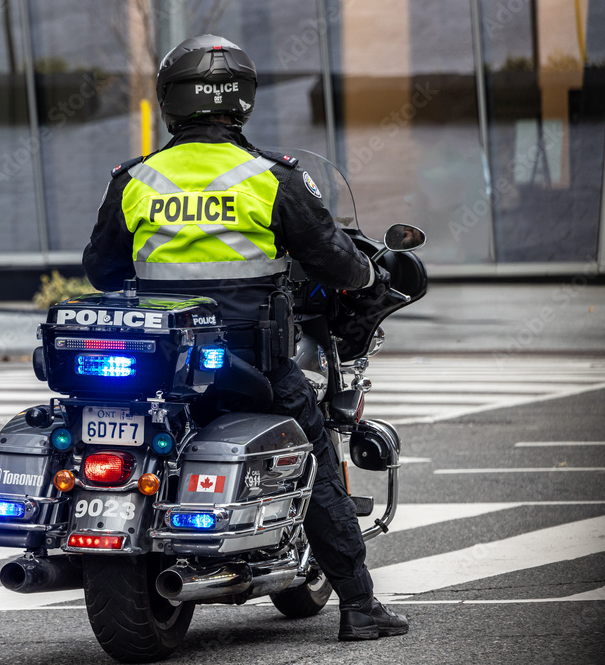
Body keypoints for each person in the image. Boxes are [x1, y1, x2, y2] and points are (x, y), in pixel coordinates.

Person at [82, 34, 409, 642]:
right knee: (314, 459)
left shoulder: (134, 179)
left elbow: (101, 270)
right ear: (244, 102)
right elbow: (338, 264)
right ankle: (360, 607)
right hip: (249, 362)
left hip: (155, 360)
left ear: (171, 102)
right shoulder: (269, 178)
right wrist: (369, 274)